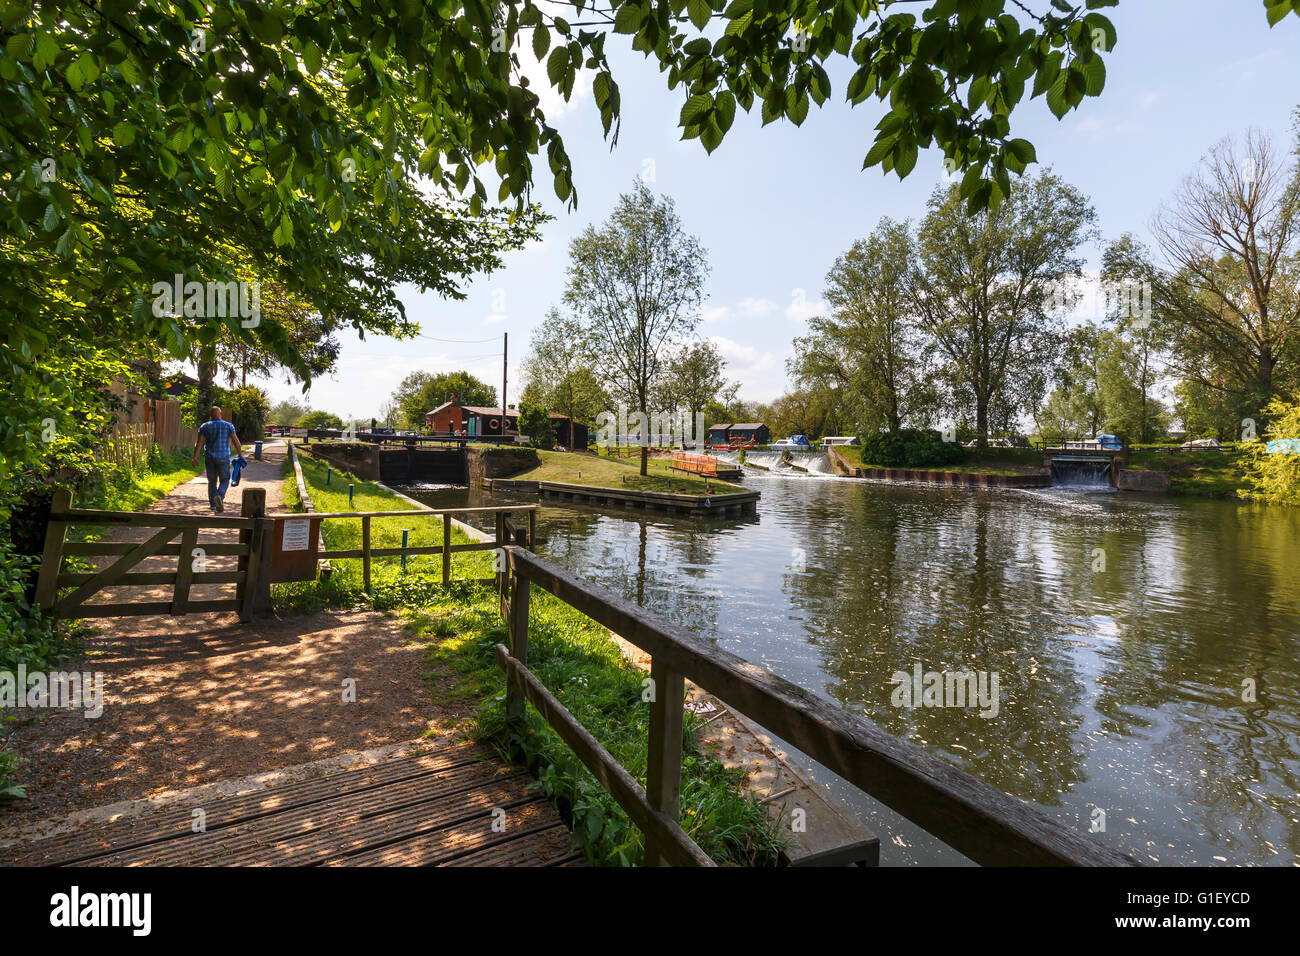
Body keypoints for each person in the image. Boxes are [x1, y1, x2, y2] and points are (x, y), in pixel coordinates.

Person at [192, 406, 243, 513]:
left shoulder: (204, 426)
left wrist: (195, 457)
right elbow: (236, 441)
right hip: (223, 457)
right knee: (224, 479)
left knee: (212, 481)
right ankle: (219, 496)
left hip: (209, 458)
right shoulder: (228, 426)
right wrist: (240, 454)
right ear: (221, 414)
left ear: (211, 415)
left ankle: (213, 505)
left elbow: (199, 443)